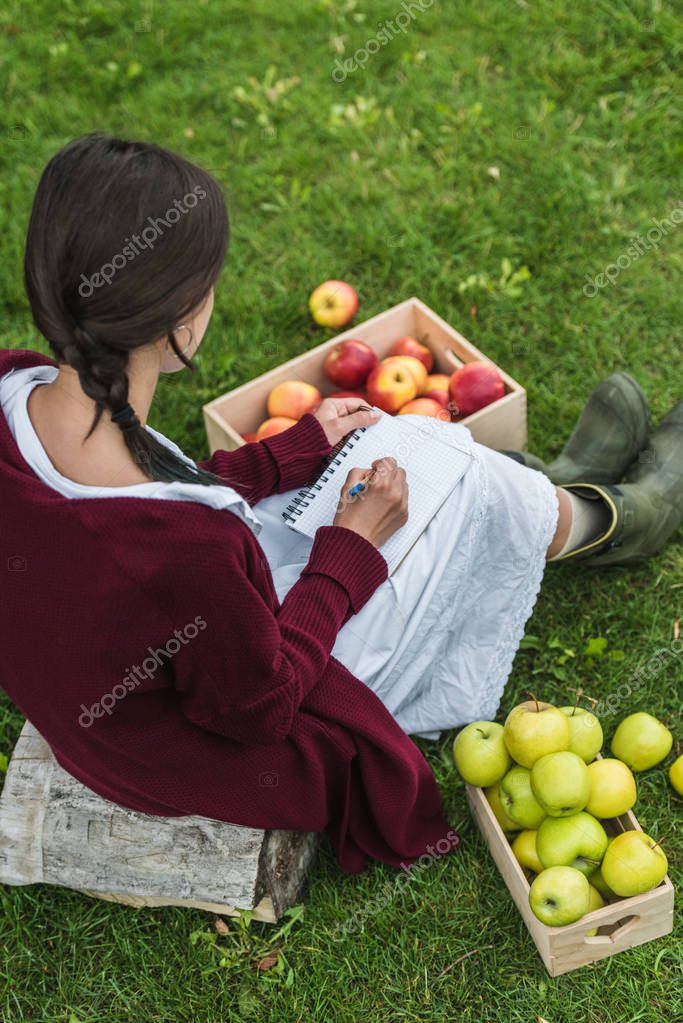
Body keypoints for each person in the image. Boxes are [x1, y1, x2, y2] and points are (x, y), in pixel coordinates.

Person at [1, 134, 680, 875]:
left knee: (398, 457)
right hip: (214, 745)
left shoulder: (19, 388)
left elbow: (139, 485)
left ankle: (555, 497)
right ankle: (611, 517)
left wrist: (278, 455)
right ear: (181, 319)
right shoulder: (182, 550)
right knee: (440, 468)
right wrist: (347, 551)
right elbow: (262, 707)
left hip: (120, 689)